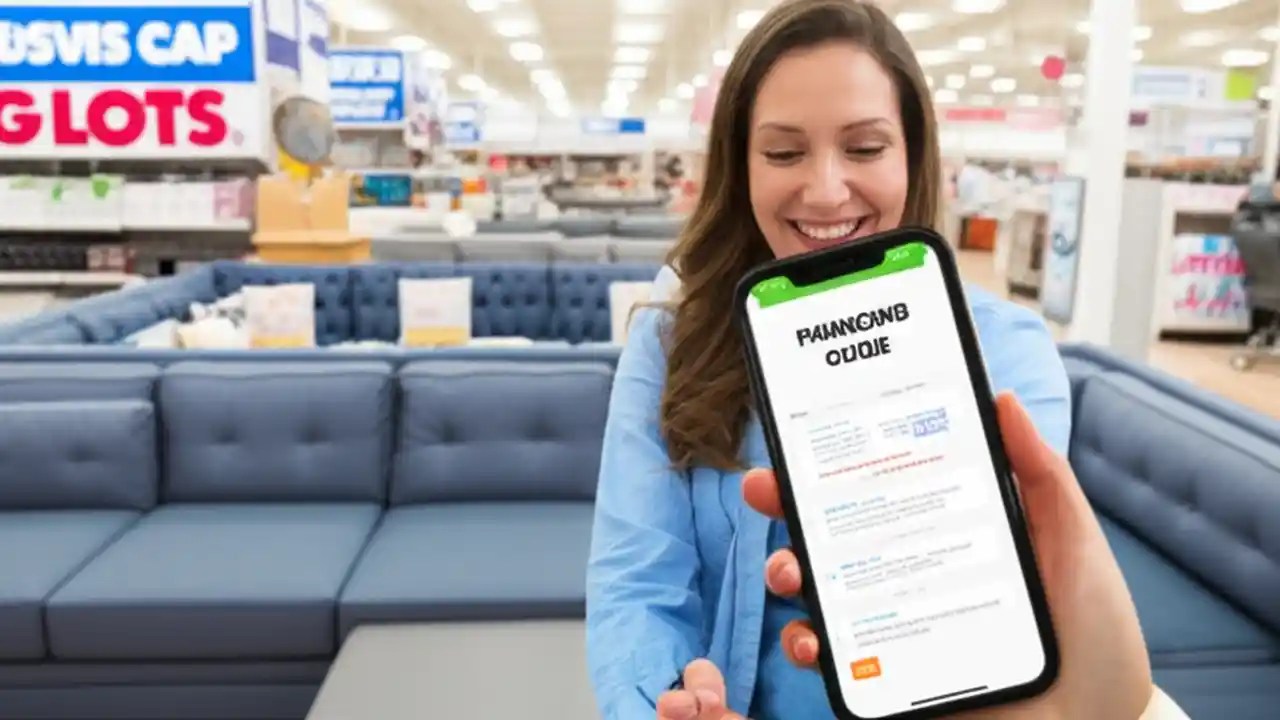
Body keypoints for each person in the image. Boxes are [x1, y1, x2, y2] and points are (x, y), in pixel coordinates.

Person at [585, 1, 1181, 718]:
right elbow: (637, 580)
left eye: (864, 149)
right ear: (740, 166)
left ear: (912, 155)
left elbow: (990, 606)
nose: (827, 189)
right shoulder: (674, 334)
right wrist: (666, 702)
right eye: (783, 153)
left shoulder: (1005, 354)